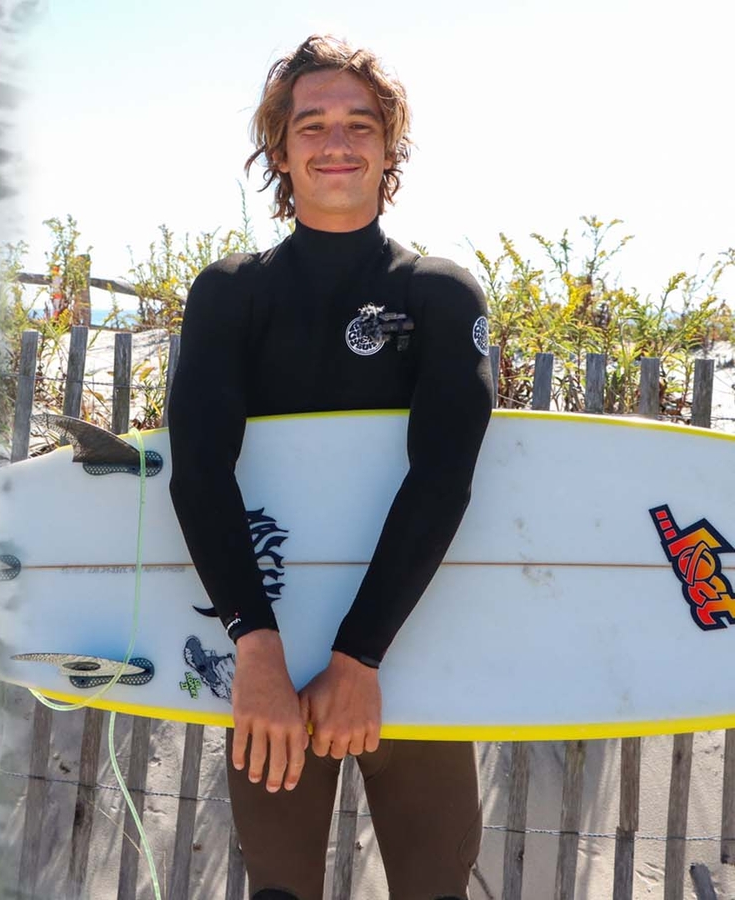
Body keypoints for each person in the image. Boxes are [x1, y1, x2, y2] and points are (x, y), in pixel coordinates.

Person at [165, 34, 493, 900]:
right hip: (271, 656)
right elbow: (198, 471)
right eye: (312, 126)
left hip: (407, 654)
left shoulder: (440, 293)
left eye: (360, 123)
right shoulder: (230, 294)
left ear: (390, 147)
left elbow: (443, 477)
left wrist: (360, 657)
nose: (337, 143)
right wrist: (258, 651)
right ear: (280, 149)